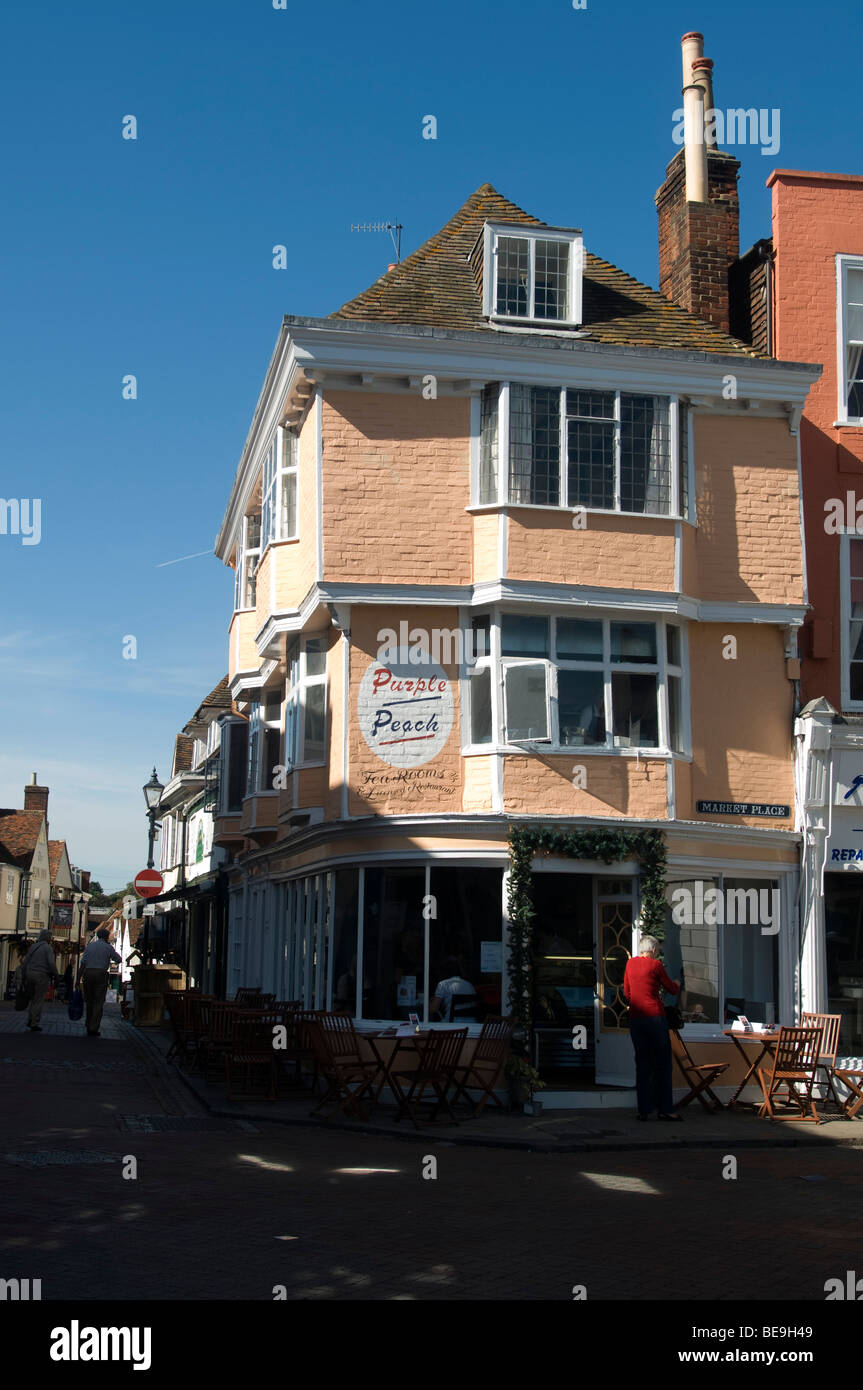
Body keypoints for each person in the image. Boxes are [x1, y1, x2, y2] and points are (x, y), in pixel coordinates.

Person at [623, 935, 681, 1121]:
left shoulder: (630, 964)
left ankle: (644, 1109)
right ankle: (665, 1109)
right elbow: (671, 988)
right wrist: (678, 983)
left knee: (642, 1063)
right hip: (655, 1018)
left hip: (636, 1019)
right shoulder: (656, 966)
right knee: (663, 1064)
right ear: (654, 950)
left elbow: (627, 992)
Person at [78, 929, 121, 1037]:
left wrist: (78, 979)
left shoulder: (90, 946)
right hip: (101, 974)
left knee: (89, 1000)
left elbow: (83, 964)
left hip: (88, 973)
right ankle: (94, 1027)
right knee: (98, 1001)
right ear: (106, 937)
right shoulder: (108, 947)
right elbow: (118, 959)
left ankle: (88, 1024)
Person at [21, 929, 59, 1032]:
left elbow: (25, 962)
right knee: (38, 999)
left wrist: (23, 975)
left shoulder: (33, 947)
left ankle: (30, 1019)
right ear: (47, 938)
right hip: (41, 975)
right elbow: (51, 963)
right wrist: (56, 975)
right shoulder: (47, 948)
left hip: (30, 973)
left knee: (33, 999)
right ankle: (34, 1022)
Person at [430, 956, 479, 1022]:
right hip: (472, 1024)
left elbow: (433, 1009)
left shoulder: (443, 984)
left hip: (452, 1025)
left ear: (444, 971)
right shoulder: (470, 985)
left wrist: (429, 1002)